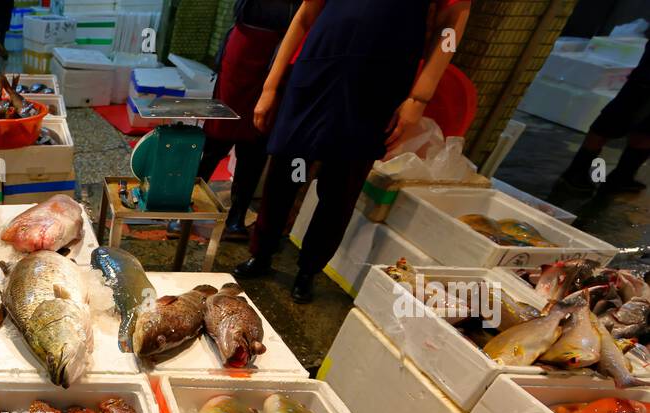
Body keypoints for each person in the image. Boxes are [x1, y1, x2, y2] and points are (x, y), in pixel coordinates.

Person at [234, 0, 472, 303]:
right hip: (316, 72)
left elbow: (448, 31)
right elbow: (306, 14)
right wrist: (271, 84)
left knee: (339, 189)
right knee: (287, 170)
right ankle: (262, 253)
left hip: (376, 88)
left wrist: (419, 97)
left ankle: (308, 270)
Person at [198, 0, 300, 243]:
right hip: (243, 48)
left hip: (281, 51)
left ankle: (237, 215)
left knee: (256, 139)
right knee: (216, 135)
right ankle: (186, 206)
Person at [558, 42, 650, 194]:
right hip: (645, 82)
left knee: (647, 130)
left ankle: (623, 176)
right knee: (610, 123)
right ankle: (576, 172)